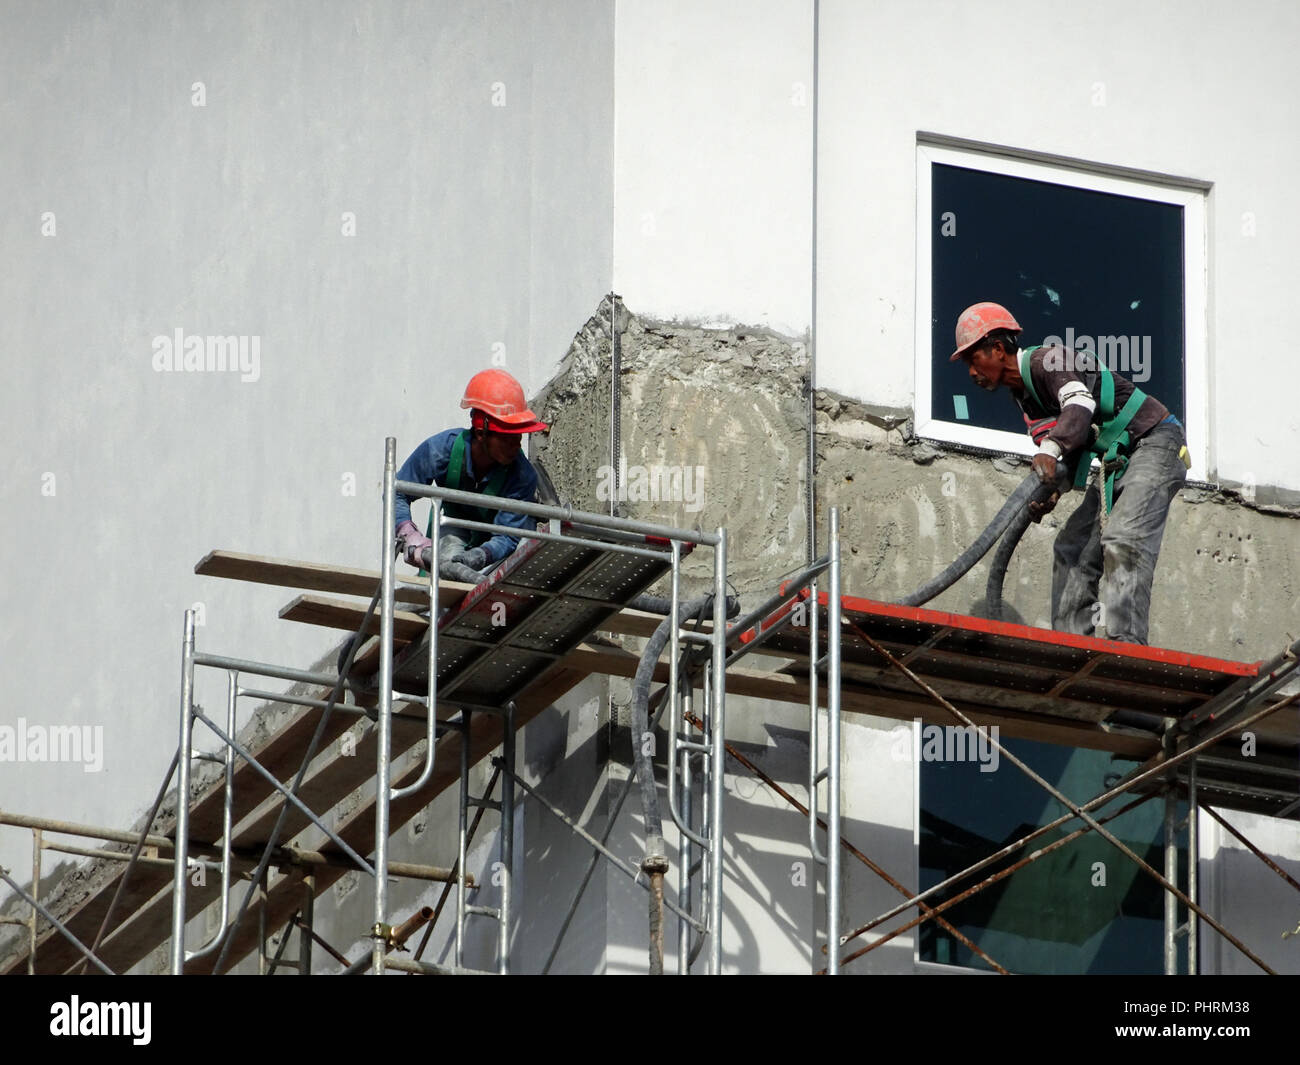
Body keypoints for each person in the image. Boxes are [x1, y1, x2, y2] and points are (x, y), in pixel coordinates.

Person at [950, 302, 1190, 644]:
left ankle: (1128, 645)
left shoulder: (1048, 360)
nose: (971, 372)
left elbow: (1079, 406)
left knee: (1122, 539)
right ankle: (1072, 645)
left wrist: (1049, 450)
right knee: (1071, 547)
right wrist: (1051, 491)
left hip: (1156, 441)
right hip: (1117, 459)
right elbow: (1068, 450)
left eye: (973, 360)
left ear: (998, 349)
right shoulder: (1025, 399)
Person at [394, 368, 548, 576]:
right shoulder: (440, 451)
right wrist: (409, 534)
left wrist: (482, 554)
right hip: (454, 526)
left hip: (498, 541)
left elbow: (509, 537)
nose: (516, 444)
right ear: (480, 432)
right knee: (446, 566)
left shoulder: (522, 475)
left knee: (525, 548)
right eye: (507, 437)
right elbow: (398, 492)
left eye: (518, 435)